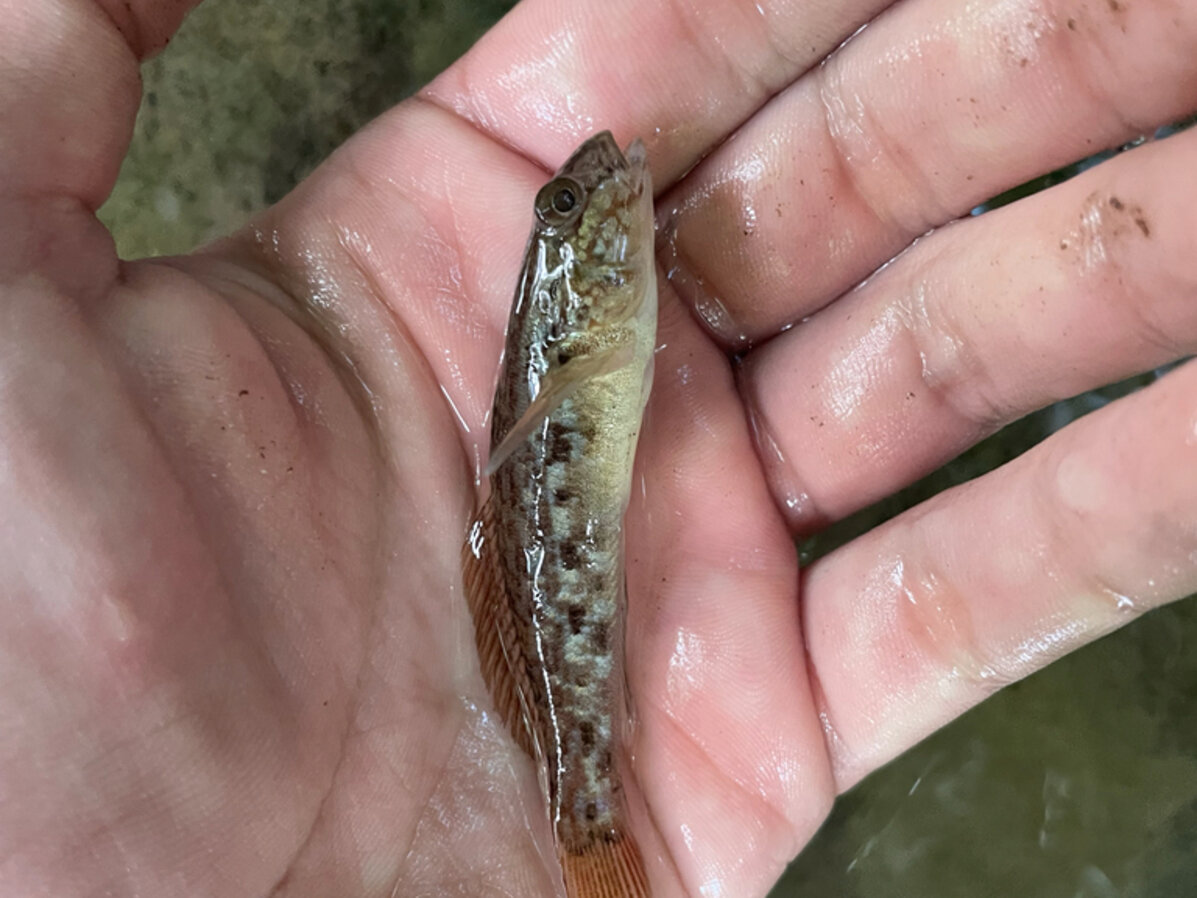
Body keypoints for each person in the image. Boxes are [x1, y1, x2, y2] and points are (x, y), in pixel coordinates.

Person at [1, 0, 1194, 895]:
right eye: (566, 217)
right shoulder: (574, 331)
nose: (591, 195)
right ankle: (589, 828)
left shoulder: (581, 331)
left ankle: (585, 799)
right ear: (567, 294)